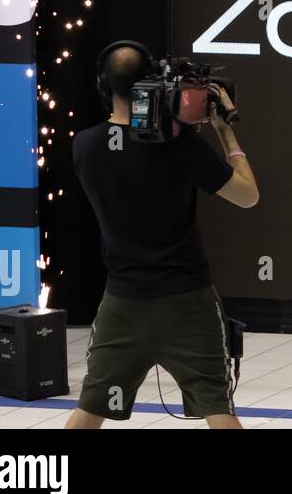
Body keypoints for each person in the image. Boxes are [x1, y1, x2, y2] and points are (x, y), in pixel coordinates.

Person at [64, 40, 259, 428]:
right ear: (152, 85)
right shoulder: (181, 146)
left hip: (123, 303)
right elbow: (248, 195)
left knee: (90, 407)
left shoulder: (84, 146)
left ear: (104, 88)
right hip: (188, 301)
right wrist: (225, 133)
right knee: (217, 406)